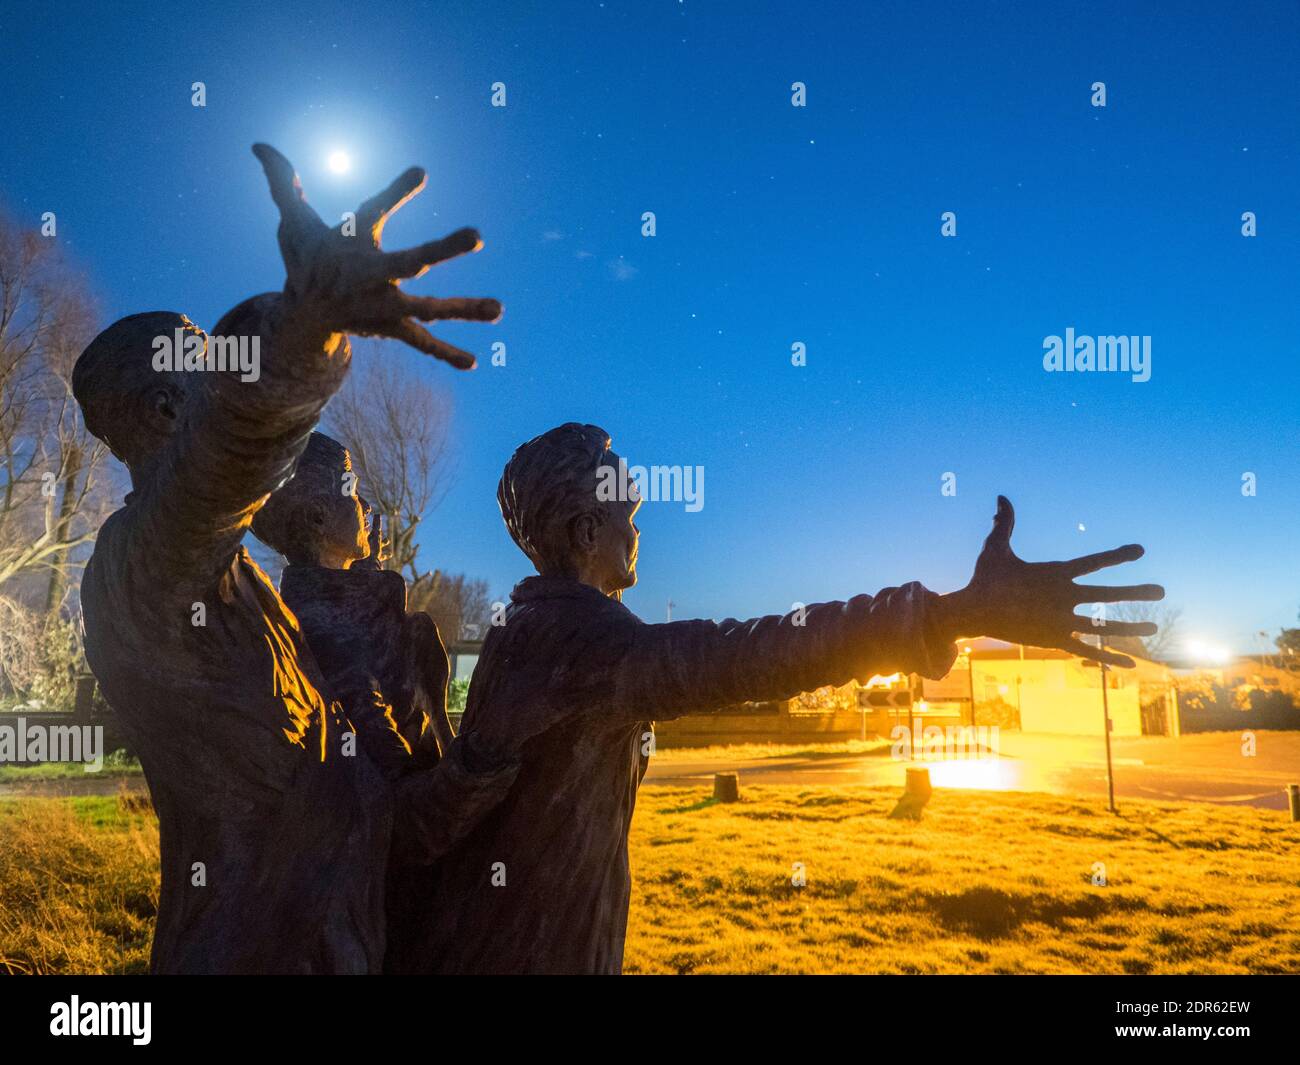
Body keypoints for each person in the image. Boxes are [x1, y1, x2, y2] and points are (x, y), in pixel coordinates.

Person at [418, 422, 1164, 974]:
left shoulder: (538, 630)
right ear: (587, 530)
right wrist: (946, 613)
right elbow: (750, 654)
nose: (638, 524)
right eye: (628, 511)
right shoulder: (577, 642)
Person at [73, 145, 564, 974]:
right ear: (167, 406)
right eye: (209, 374)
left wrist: (486, 755)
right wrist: (306, 325)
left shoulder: (234, 587)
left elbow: (365, 815)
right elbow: (233, 438)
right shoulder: (142, 568)